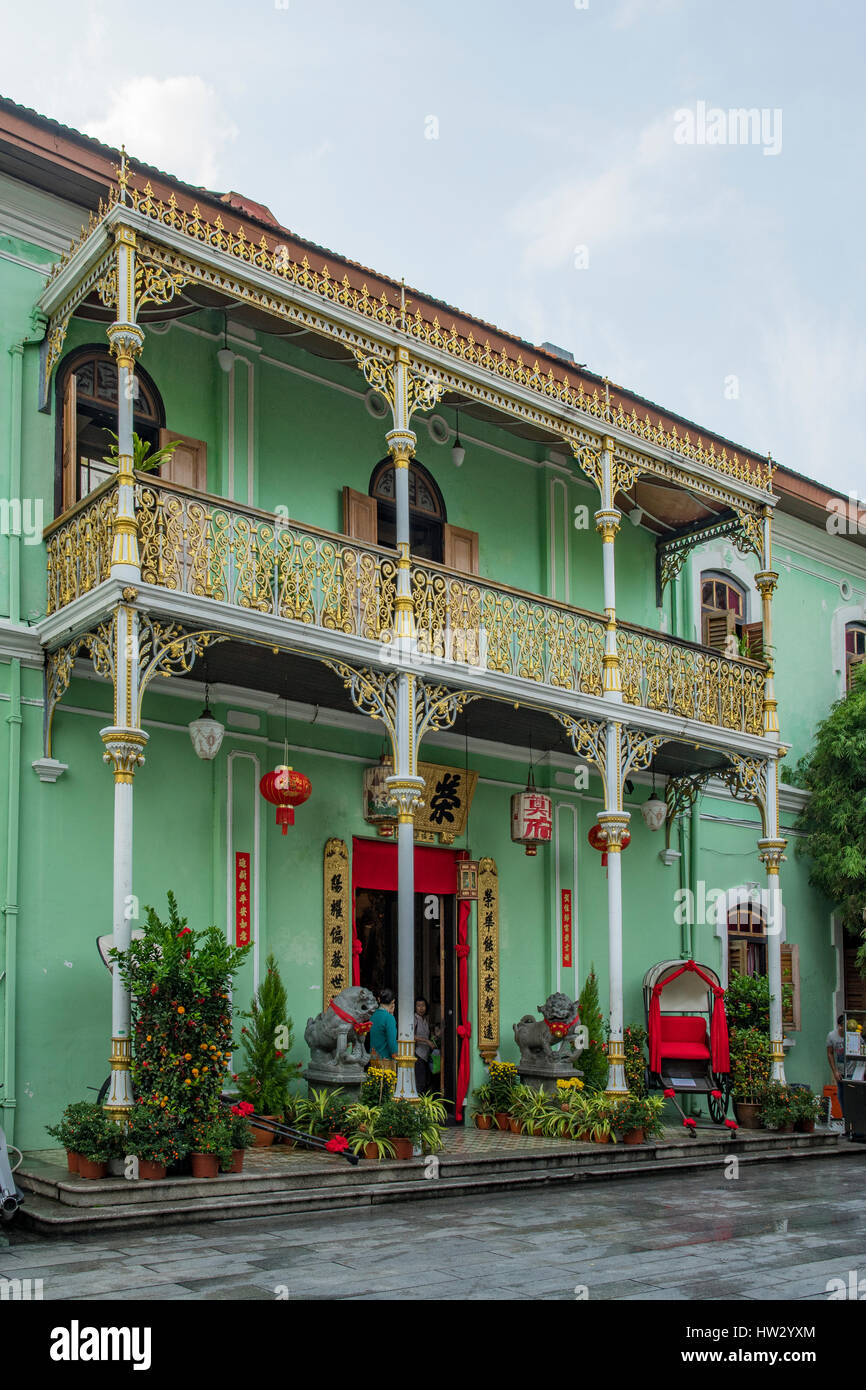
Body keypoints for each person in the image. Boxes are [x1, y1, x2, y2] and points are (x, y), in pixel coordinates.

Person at [827, 1014, 852, 1124]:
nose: (845, 1028)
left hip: (852, 1071)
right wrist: (835, 1071)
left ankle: (853, 1123)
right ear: (839, 1026)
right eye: (843, 1026)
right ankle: (846, 1121)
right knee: (842, 1097)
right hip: (841, 1071)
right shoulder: (832, 1036)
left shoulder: (852, 1034)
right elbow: (830, 1053)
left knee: (852, 1097)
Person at [369, 988, 397, 1072]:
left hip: (373, 1057)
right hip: (385, 1058)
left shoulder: (373, 1016)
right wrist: (396, 1056)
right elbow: (392, 1041)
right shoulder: (389, 1018)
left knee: (375, 1083)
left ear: (379, 999)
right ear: (393, 1002)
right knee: (386, 1084)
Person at [414, 997, 432, 1094]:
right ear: (415, 1007)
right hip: (417, 1054)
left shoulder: (425, 1019)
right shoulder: (414, 1018)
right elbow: (410, 1035)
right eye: (418, 1006)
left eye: (423, 1006)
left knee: (427, 1081)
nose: (421, 1008)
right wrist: (426, 1041)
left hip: (425, 1055)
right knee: (420, 1082)